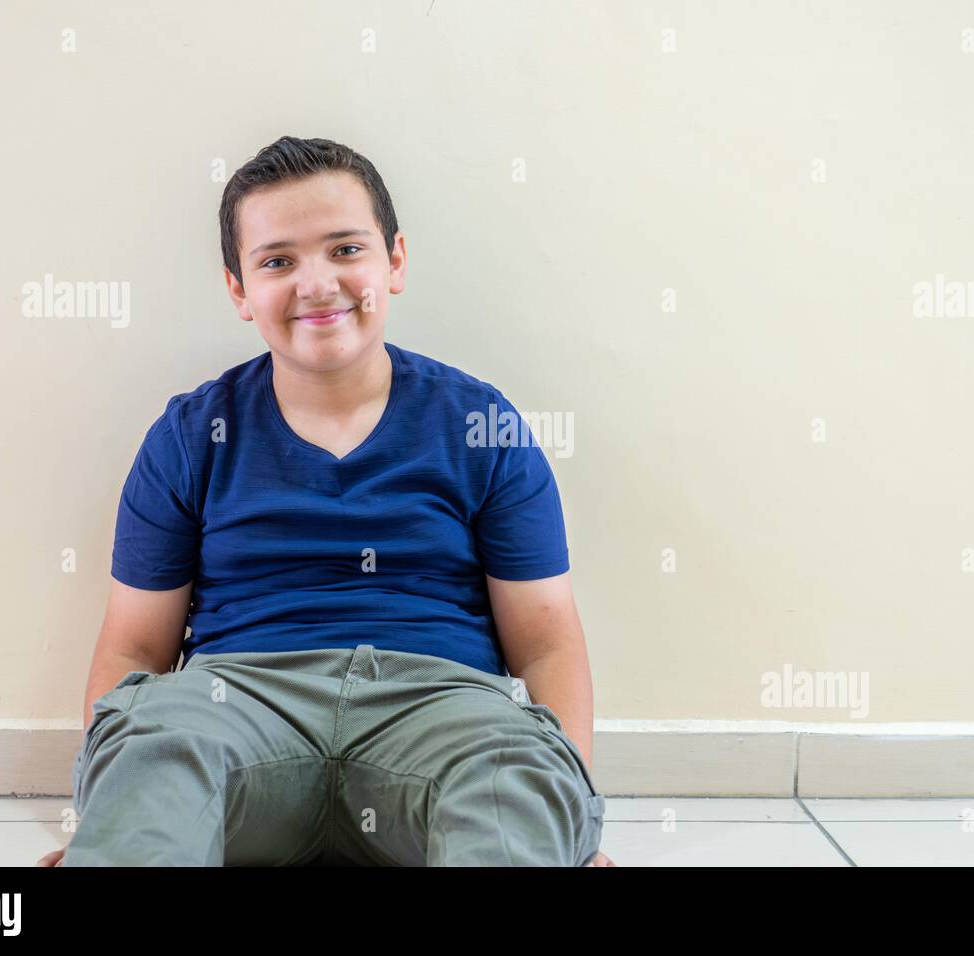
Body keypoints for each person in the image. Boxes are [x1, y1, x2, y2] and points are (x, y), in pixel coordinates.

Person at [36, 136, 614, 867]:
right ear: (239, 290)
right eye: (277, 261)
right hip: (233, 708)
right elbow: (134, 647)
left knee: (512, 770)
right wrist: (110, 811)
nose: (316, 284)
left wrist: (570, 813)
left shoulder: (482, 425)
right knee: (156, 745)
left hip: (441, 712)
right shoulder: (191, 435)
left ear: (393, 261)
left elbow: (547, 640)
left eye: (345, 249)